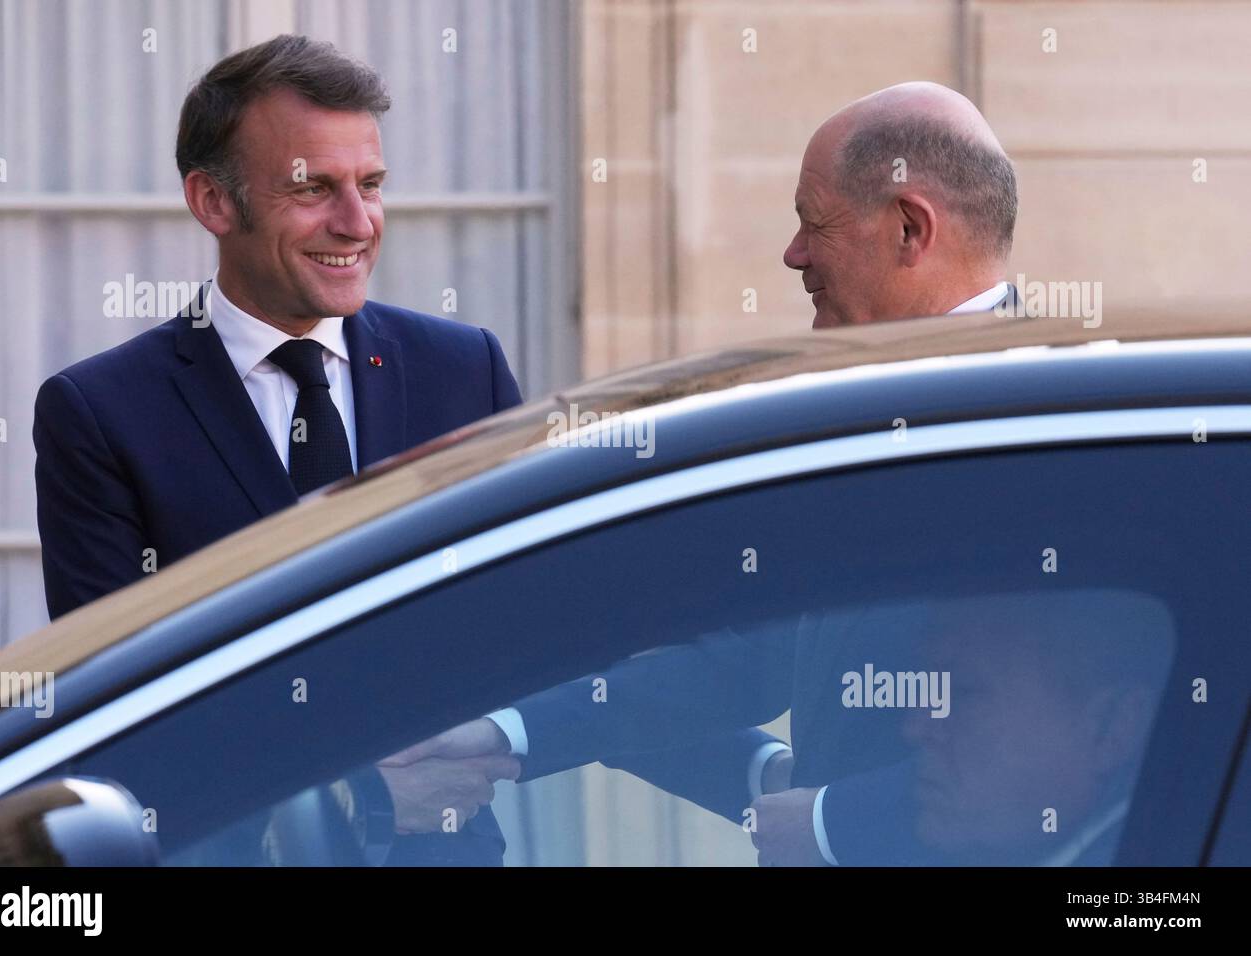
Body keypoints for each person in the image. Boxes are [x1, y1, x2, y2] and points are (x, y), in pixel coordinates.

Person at [384, 80, 1026, 865]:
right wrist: (508, 732)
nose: (793, 255)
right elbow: (763, 653)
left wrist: (834, 823)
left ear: (907, 228)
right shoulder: (864, 405)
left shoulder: (1060, 433)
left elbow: (1075, 738)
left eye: (812, 223)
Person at [31, 35, 520, 864]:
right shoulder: (98, 413)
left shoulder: (462, 371)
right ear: (213, 202)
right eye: (315, 189)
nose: (358, 224)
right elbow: (114, 716)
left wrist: (751, 767)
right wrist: (356, 799)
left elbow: (552, 629)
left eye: (371, 186)